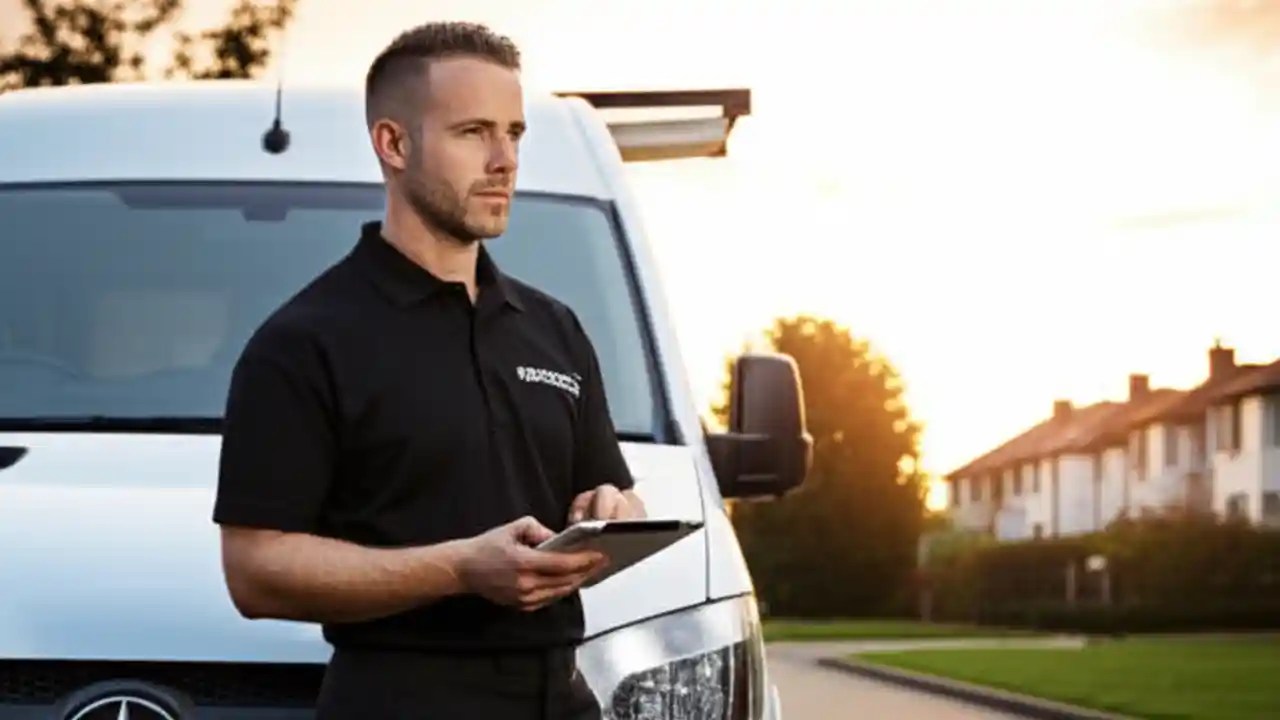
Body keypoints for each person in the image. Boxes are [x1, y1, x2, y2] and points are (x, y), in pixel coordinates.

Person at [211, 20, 646, 720]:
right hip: (399, 698)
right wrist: (460, 569)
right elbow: (254, 572)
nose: (505, 160)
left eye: (515, 133)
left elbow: (616, 491)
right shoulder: (304, 341)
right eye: (474, 132)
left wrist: (612, 513)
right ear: (393, 144)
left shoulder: (553, 328)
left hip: (561, 696)